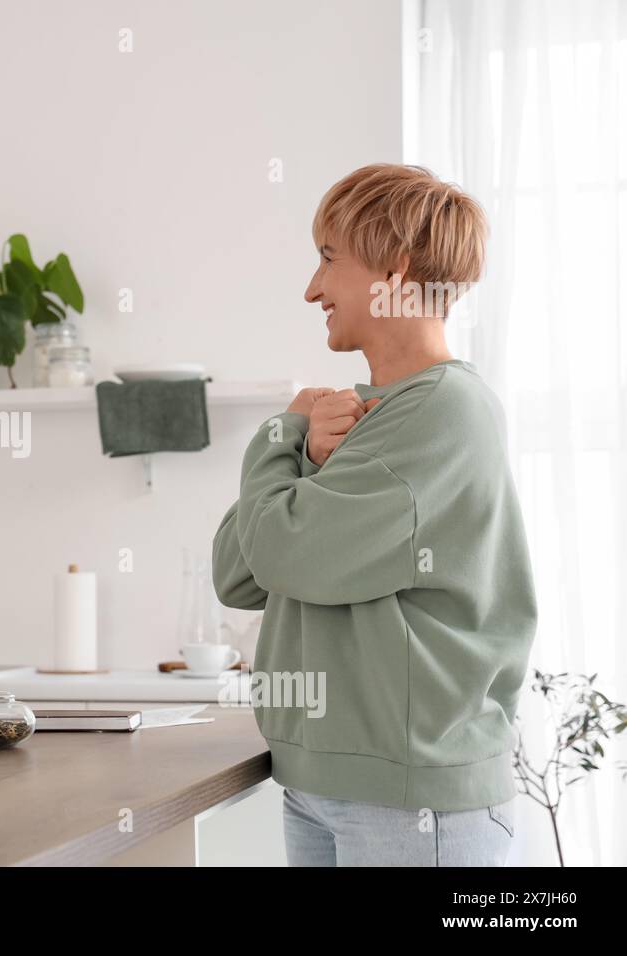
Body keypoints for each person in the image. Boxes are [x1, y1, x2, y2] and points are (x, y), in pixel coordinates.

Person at [212, 164, 537, 865]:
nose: (312, 288)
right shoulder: (361, 419)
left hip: (413, 804)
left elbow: (280, 553)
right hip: (321, 788)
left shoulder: (444, 410)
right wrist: (299, 447)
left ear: (393, 268)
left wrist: (280, 435)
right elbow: (238, 575)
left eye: (329, 259)